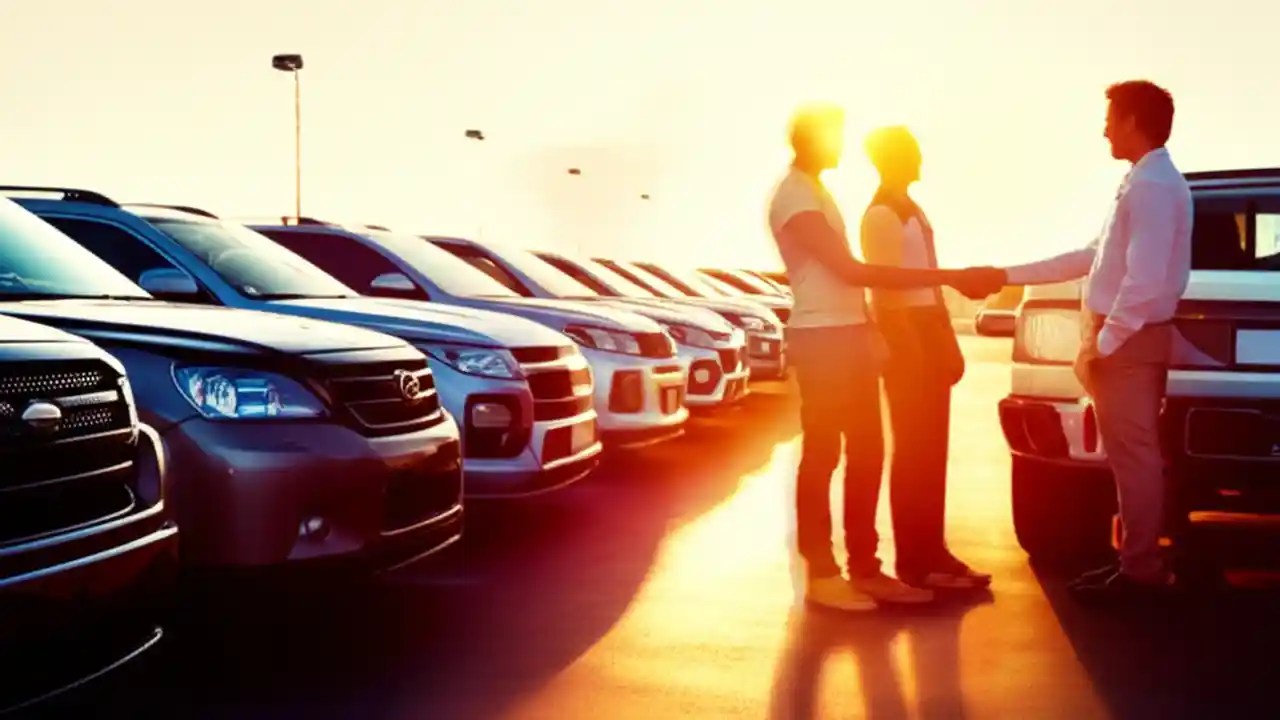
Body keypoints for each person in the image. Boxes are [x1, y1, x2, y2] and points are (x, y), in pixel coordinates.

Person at [768, 102, 1003, 612]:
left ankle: (866, 569)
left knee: (869, 453)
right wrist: (949, 278)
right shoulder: (795, 197)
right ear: (813, 139)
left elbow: (849, 281)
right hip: (821, 340)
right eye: (835, 135)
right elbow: (851, 271)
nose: (842, 145)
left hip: (848, 336)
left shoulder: (816, 190)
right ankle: (821, 574)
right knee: (824, 456)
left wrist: (870, 330)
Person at [998, 80, 1192, 600]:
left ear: (1132, 120)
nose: (1104, 127)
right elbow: (1093, 257)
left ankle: (1142, 572)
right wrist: (1004, 274)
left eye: (1111, 116)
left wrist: (1103, 345)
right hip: (1123, 342)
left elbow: (1144, 279)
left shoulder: (1152, 187)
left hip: (1126, 345)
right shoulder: (1141, 182)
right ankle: (1135, 562)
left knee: (1135, 457)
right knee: (1131, 459)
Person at [859, 126, 993, 591]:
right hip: (904, 332)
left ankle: (934, 550)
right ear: (891, 158)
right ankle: (914, 563)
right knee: (913, 449)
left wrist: (943, 339)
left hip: (928, 326)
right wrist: (905, 344)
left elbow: (926, 282)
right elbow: (886, 286)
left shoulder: (911, 208)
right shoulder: (880, 214)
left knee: (932, 450)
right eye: (912, 149)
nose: (920, 156)